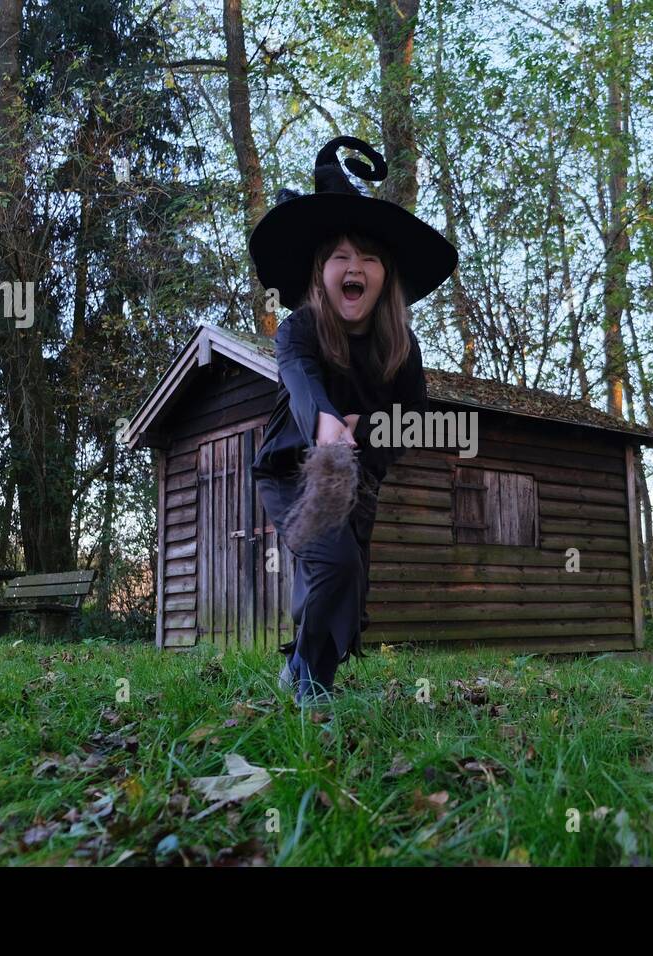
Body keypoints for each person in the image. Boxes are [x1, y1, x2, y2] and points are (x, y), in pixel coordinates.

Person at [248, 136, 458, 705]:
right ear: (321, 272)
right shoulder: (298, 330)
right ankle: (312, 691)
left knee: (350, 585)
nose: (354, 267)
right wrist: (326, 423)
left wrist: (364, 429)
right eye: (340, 257)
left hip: (360, 477)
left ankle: (300, 663)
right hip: (292, 470)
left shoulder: (402, 347)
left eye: (367, 258)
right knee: (334, 562)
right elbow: (300, 381)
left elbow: (413, 420)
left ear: (385, 275)